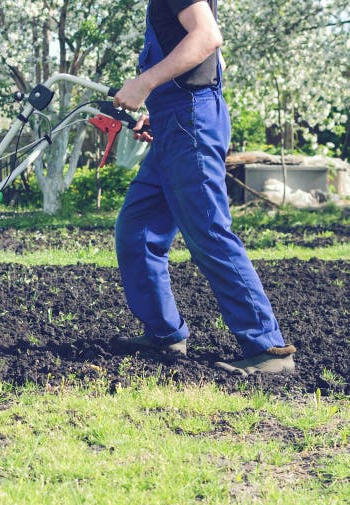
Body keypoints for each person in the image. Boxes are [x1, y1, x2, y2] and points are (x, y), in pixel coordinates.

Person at [110, 0, 296, 375]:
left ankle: (268, 348)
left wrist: (146, 83)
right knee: (138, 230)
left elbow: (208, 37)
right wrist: (158, 109)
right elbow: (215, 63)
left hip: (189, 121)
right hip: (174, 123)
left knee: (208, 230)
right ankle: (165, 333)